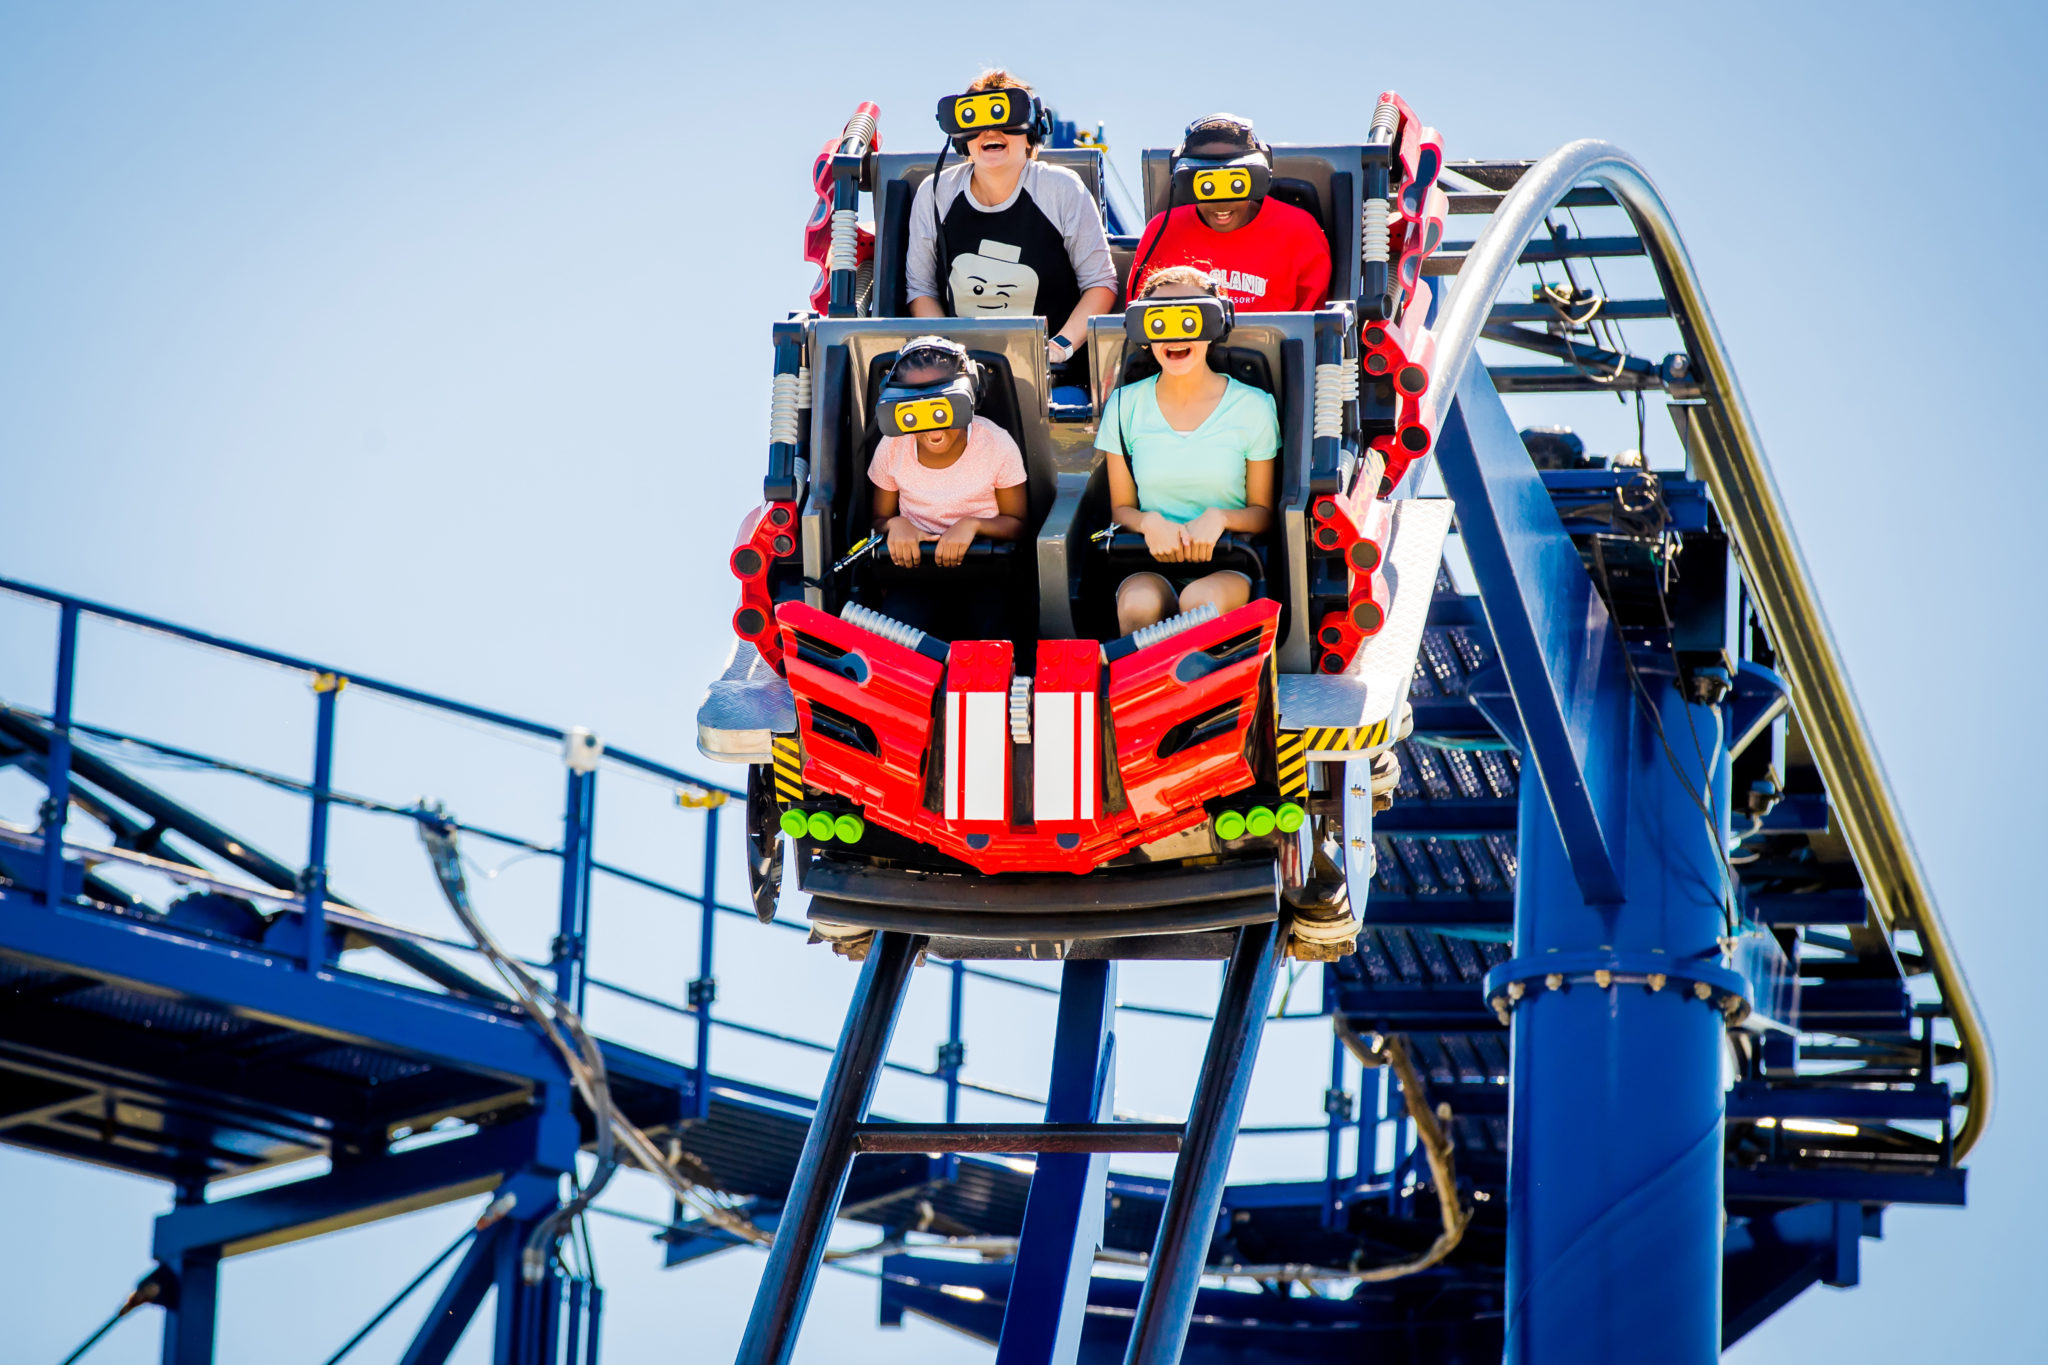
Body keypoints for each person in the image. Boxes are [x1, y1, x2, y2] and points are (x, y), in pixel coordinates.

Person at [1100, 268, 1278, 636]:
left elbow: (1262, 514)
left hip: (1228, 562)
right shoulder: (1124, 405)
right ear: (1145, 333)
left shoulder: (1253, 406)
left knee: (1199, 604)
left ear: (1214, 326)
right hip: (1148, 560)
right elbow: (1121, 508)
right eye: (1161, 320)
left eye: (1189, 318)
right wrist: (1149, 523)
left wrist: (1220, 518)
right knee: (1138, 605)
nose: (1177, 334)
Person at [907, 69, 1118, 370]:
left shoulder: (1061, 189)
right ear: (961, 139)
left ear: (1031, 133)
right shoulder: (936, 193)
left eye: (1005, 119)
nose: (991, 133)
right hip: (959, 376)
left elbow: (1100, 283)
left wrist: (1058, 349)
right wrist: (949, 358)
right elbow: (921, 289)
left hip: (1055, 375)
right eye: (977, 123)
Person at [867, 337, 1028, 641]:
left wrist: (972, 525)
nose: (932, 429)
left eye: (941, 410)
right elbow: (877, 520)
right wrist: (896, 524)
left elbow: (1018, 524)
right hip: (916, 575)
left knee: (991, 635)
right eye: (916, 412)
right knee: (895, 634)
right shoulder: (892, 448)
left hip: (984, 571)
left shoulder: (996, 445)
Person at [1127, 114, 1331, 312]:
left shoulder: (1299, 230)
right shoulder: (1162, 231)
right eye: (1209, 187)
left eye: (1235, 185)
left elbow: (1314, 327)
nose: (1221, 203)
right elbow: (1140, 317)